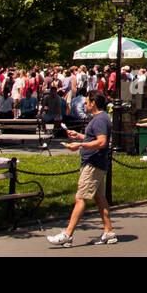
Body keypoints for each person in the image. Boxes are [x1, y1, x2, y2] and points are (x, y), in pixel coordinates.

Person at [47, 91, 117, 246]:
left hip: (93, 164)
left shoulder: (100, 119)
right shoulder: (100, 118)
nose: (85, 105)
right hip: (94, 163)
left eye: (86, 102)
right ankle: (108, 231)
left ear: (93, 103)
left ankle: (68, 234)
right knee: (100, 199)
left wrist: (80, 144)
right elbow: (94, 138)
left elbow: (101, 142)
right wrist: (79, 136)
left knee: (80, 198)